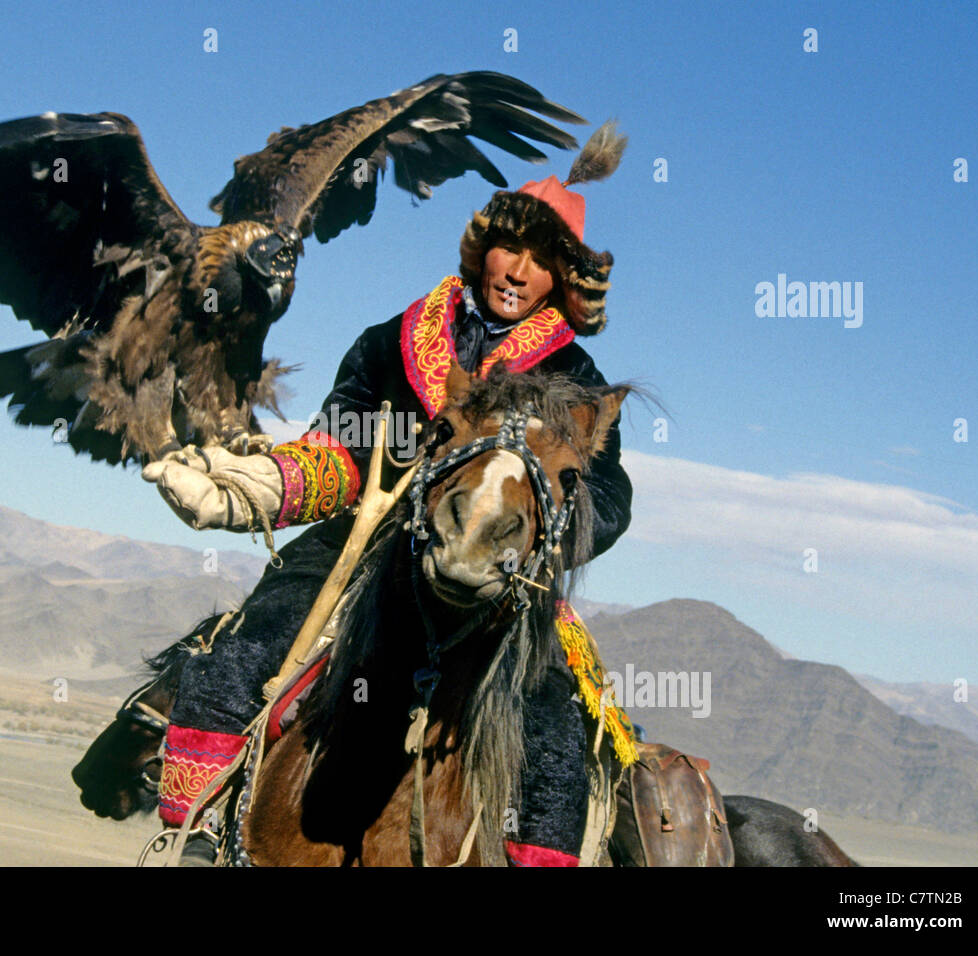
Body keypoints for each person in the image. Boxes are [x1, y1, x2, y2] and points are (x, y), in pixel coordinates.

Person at [143, 170, 633, 866]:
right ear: (480, 249)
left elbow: (611, 502)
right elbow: (339, 446)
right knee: (249, 642)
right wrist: (249, 489)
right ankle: (197, 833)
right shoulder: (391, 342)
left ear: (561, 277)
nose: (518, 272)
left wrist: (533, 527)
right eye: (507, 248)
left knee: (554, 723)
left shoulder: (577, 380)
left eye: (541, 260)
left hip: (503, 571)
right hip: (375, 538)